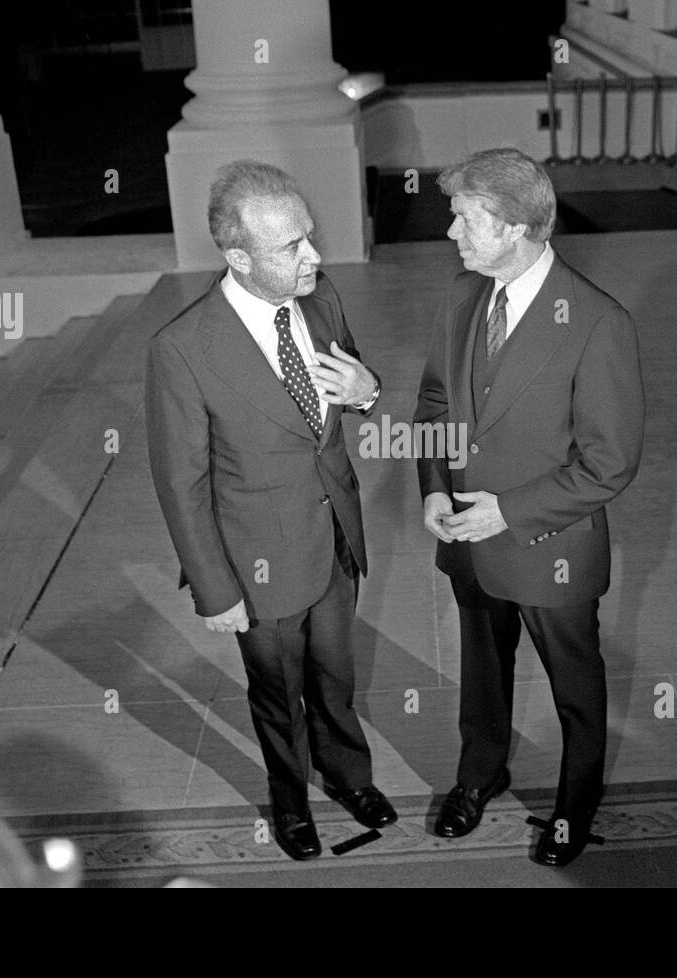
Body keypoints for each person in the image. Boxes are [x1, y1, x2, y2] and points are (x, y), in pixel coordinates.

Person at [145, 161, 395, 861]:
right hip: (257, 566)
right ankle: (291, 803)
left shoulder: (321, 298)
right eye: (292, 247)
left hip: (336, 539)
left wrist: (370, 390)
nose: (314, 256)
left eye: (308, 236)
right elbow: (180, 483)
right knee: (279, 696)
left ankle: (348, 777)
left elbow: (352, 386)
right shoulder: (181, 349)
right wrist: (215, 588)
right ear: (239, 257)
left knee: (337, 681)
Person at [413, 148, 644, 866]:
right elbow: (432, 403)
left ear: (514, 228)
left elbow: (611, 462)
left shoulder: (598, 322)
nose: (452, 233)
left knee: (575, 686)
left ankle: (574, 806)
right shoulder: (463, 295)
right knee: (482, 672)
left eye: (466, 220)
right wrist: (433, 489)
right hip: (466, 538)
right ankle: (480, 772)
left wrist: (506, 513)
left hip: (552, 552)